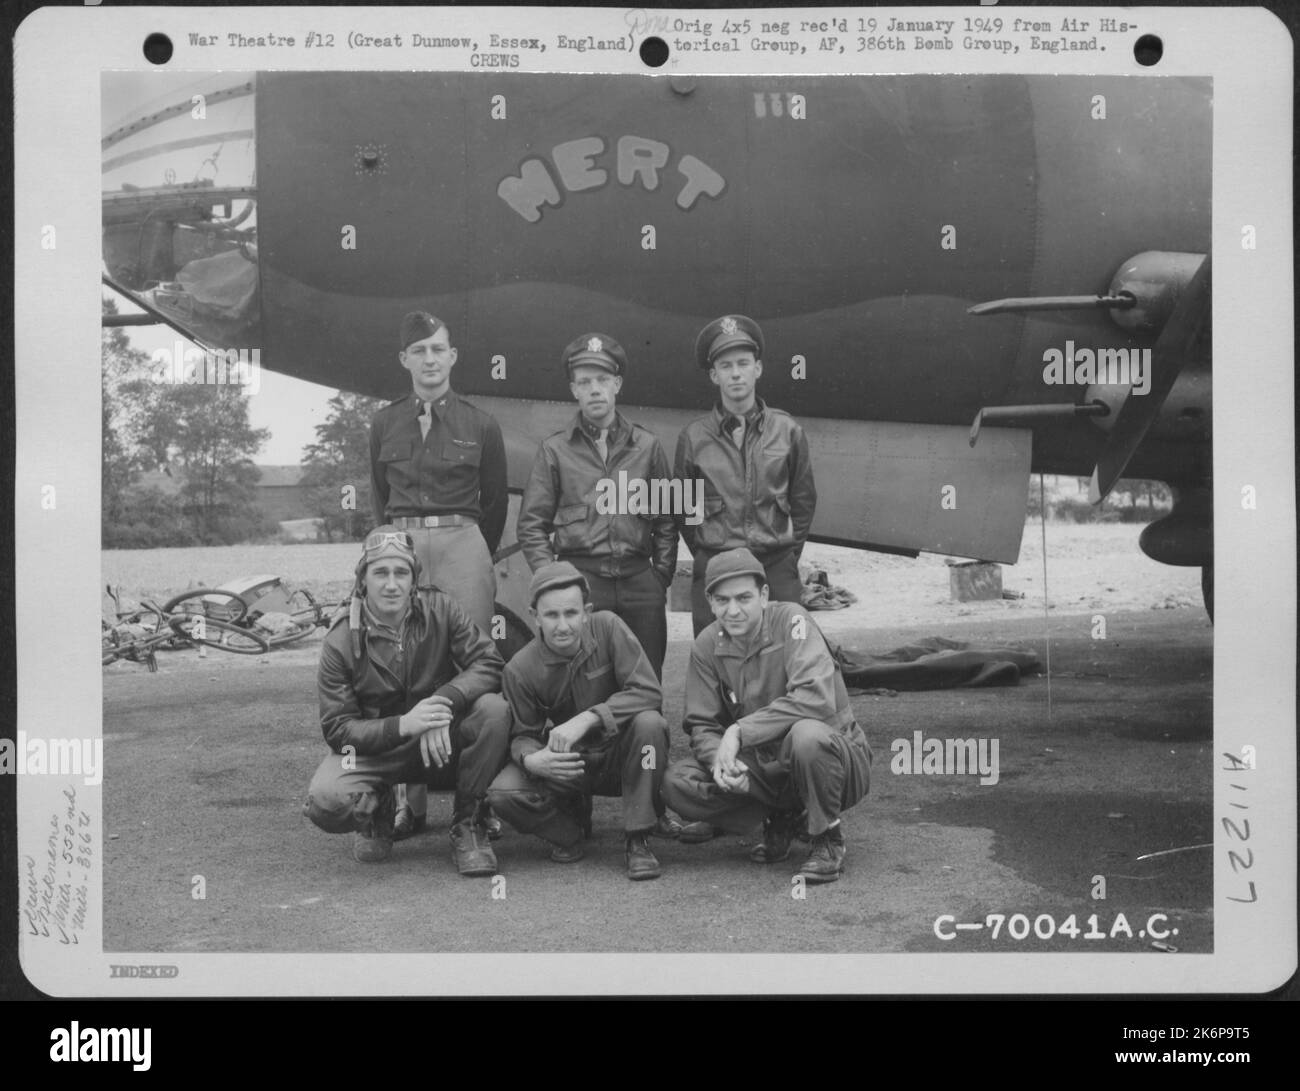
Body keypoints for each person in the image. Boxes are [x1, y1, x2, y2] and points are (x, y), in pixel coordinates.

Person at [369, 311, 508, 839]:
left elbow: (493, 504)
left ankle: (478, 803)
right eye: (419, 350)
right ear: (404, 359)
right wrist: (398, 550)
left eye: (438, 349)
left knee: (471, 664)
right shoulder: (385, 422)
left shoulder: (480, 424)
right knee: (401, 661)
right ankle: (412, 803)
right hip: (403, 541)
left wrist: (469, 550)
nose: (430, 359)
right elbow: (380, 498)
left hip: (462, 541)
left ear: (452, 357)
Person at [303, 527, 511, 876]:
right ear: (362, 580)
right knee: (327, 802)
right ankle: (378, 806)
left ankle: (469, 824)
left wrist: (440, 704)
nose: (391, 584)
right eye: (380, 572)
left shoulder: (441, 608)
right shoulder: (339, 640)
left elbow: (489, 663)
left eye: (401, 573)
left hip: (441, 741)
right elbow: (338, 729)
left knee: (495, 711)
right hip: (378, 751)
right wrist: (403, 724)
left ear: (414, 579)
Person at [661, 548, 872, 883]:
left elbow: (813, 699)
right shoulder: (706, 644)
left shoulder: (794, 621)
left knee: (807, 737)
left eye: (744, 598)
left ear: (763, 595)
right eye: (722, 600)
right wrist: (722, 763)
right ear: (710, 602)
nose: (733, 610)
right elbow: (701, 723)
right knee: (675, 782)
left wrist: (738, 732)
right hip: (764, 766)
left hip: (834, 758)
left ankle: (827, 838)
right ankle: (781, 816)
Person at [486, 562, 670, 881]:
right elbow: (522, 735)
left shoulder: (609, 627)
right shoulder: (520, 668)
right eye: (551, 615)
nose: (562, 626)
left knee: (650, 725)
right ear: (534, 616)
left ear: (586, 612)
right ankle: (569, 831)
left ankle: (638, 838)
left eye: (571, 614)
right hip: (569, 764)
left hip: (621, 758)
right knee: (504, 792)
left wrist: (590, 717)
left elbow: (648, 691)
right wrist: (532, 759)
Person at [516, 332, 677, 677]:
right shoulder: (554, 450)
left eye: (603, 380)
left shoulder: (648, 446)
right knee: (585, 682)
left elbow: (666, 520)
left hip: (639, 582)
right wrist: (558, 582)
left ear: (617, 384)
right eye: (585, 381)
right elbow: (531, 526)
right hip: (582, 579)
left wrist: (659, 578)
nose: (594, 389)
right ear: (574, 389)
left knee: (646, 682)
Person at [673, 314, 817, 638]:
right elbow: (684, 511)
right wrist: (709, 553)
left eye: (743, 363)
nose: (736, 373)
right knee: (719, 664)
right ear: (714, 375)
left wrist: (787, 556)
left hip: (775, 565)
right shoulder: (693, 438)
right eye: (725, 366)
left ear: (758, 368)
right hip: (716, 565)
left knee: (785, 656)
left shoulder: (787, 431)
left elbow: (803, 499)